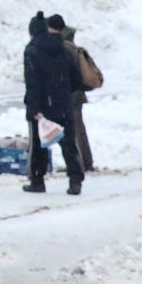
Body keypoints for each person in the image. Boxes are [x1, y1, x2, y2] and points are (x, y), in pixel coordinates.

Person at [21, 11, 84, 195]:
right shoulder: (64, 50)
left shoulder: (32, 51)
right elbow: (76, 80)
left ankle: (37, 181)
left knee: (38, 146)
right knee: (69, 145)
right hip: (63, 105)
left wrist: (34, 108)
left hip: (41, 107)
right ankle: (75, 180)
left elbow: (33, 82)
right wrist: (61, 93)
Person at [57, 20, 101, 175]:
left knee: (74, 130)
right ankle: (86, 160)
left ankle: (79, 162)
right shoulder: (75, 49)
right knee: (79, 129)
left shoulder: (65, 49)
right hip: (78, 94)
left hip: (71, 95)